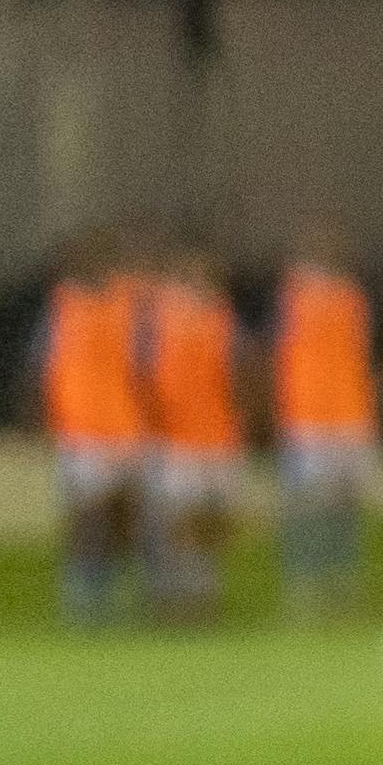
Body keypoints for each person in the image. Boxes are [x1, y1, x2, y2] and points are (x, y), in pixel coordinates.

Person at [28, 235, 152, 629]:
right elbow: (40, 370)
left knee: (126, 521)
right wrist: (40, 421)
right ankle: (85, 603)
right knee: (86, 519)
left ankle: (125, 598)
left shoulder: (129, 303)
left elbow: (147, 363)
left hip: (126, 427)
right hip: (81, 431)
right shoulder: (62, 308)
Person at [272, 231, 381, 616]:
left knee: (344, 508)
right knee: (308, 507)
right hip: (308, 419)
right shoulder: (295, 296)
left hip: (350, 415)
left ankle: (340, 584)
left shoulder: (352, 299)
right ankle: (305, 585)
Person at [139, 244, 249, 621]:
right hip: (174, 438)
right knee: (174, 523)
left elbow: (239, 374)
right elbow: (140, 375)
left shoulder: (222, 320)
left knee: (209, 522)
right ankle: (170, 598)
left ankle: (202, 597)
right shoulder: (158, 318)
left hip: (217, 435)